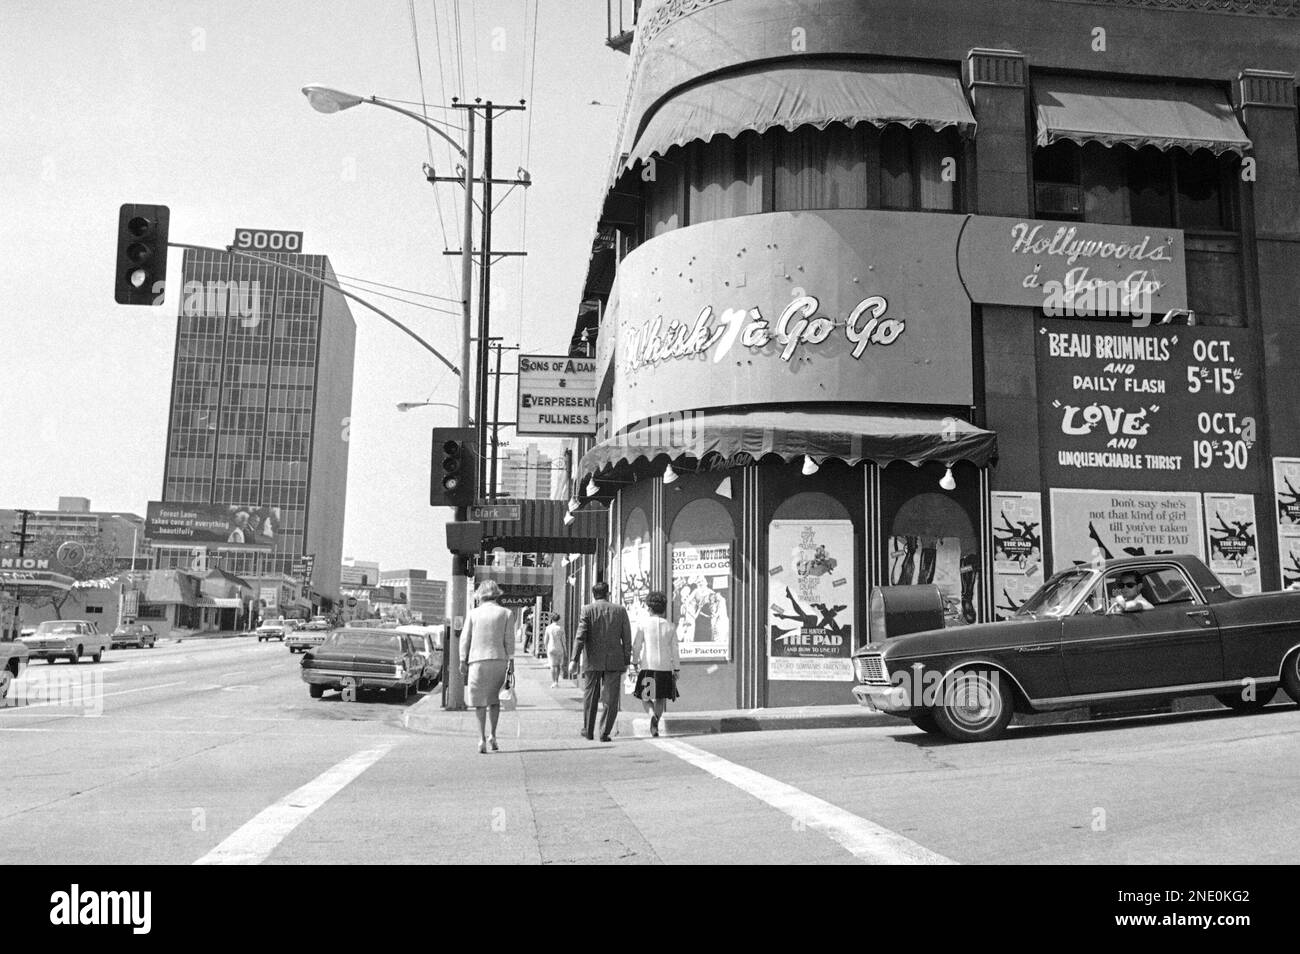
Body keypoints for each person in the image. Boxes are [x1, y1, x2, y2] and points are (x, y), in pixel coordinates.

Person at [570, 581, 632, 742]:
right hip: (614, 659)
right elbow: (626, 638)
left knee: (590, 694)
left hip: (592, 659)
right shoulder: (620, 610)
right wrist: (626, 659)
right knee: (611, 698)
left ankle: (588, 730)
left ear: (593, 594)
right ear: (608, 593)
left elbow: (580, 636)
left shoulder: (587, 610)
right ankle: (604, 732)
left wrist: (574, 659)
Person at [459, 580, 515, 753]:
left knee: (479, 702)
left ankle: (481, 738)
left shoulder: (473, 614)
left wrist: (462, 659)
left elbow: (465, 638)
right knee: (495, 700)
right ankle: (493, 735)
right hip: (499, 659)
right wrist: (511, 661)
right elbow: (509, 640)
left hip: (477, 661)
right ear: (497, 594)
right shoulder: (506, 613)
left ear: (480, 595)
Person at [631, 591, 680, 737]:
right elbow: (675, 650)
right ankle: (655, 724)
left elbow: (636, 645)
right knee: (660, 698)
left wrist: (634, 661)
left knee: (646, 697)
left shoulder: (643, 624)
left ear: (649, 608)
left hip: (648, 667)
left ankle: (651, 714)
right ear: (664, 608)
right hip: (664, 668)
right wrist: (676, 668)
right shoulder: (670, 626)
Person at [544, 612, 567, 688]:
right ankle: (557, 681)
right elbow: (564, 641)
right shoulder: (561, 628)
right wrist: (565, 650)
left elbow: (545, 640)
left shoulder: (548, 628)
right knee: (558, 666)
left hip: (551, 648)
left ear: (551, 619)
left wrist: (546, 648)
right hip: (559, 648)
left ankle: (553, 681)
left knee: (552, 666)